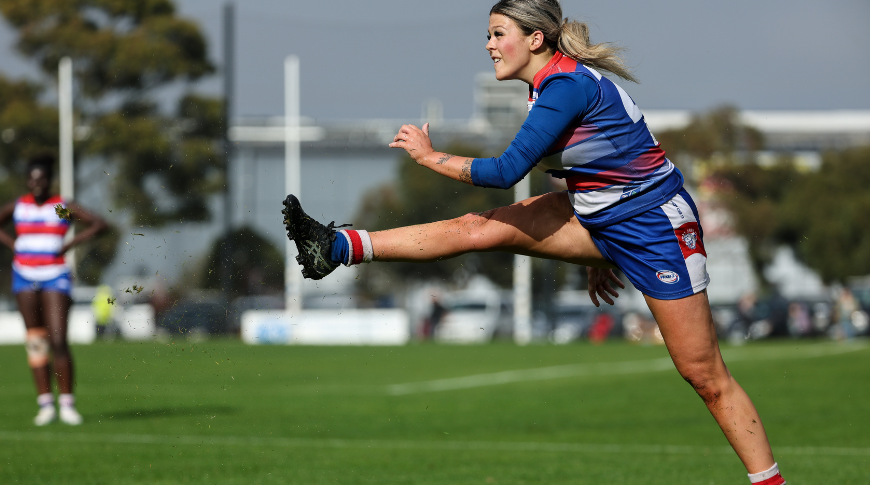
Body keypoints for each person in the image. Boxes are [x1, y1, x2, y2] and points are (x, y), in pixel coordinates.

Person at [281, 1, 785, 483]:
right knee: (477, 229)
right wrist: (594, 249)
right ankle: (335, 247)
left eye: (498, 34)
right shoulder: (550, 84)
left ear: (535, 38)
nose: (489, 46)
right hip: (602, 219)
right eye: (488, 35)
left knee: (705, 377)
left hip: (655, 226)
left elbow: (505, 171)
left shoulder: (563, 87)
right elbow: (590, 162)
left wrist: (429, 156)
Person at [0, 153, 107, 426]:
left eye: (43, 179)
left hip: (55, 275)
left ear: (49, 181)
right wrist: (13, 245)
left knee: (58, 340)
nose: (37, 184)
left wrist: (70, 244)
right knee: (36, 341)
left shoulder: (58, 207)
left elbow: (98, 225)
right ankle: (45, 404)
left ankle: (67, 404)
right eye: (33, 179)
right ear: (27, 181)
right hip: (24, 275)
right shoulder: (19, 207)